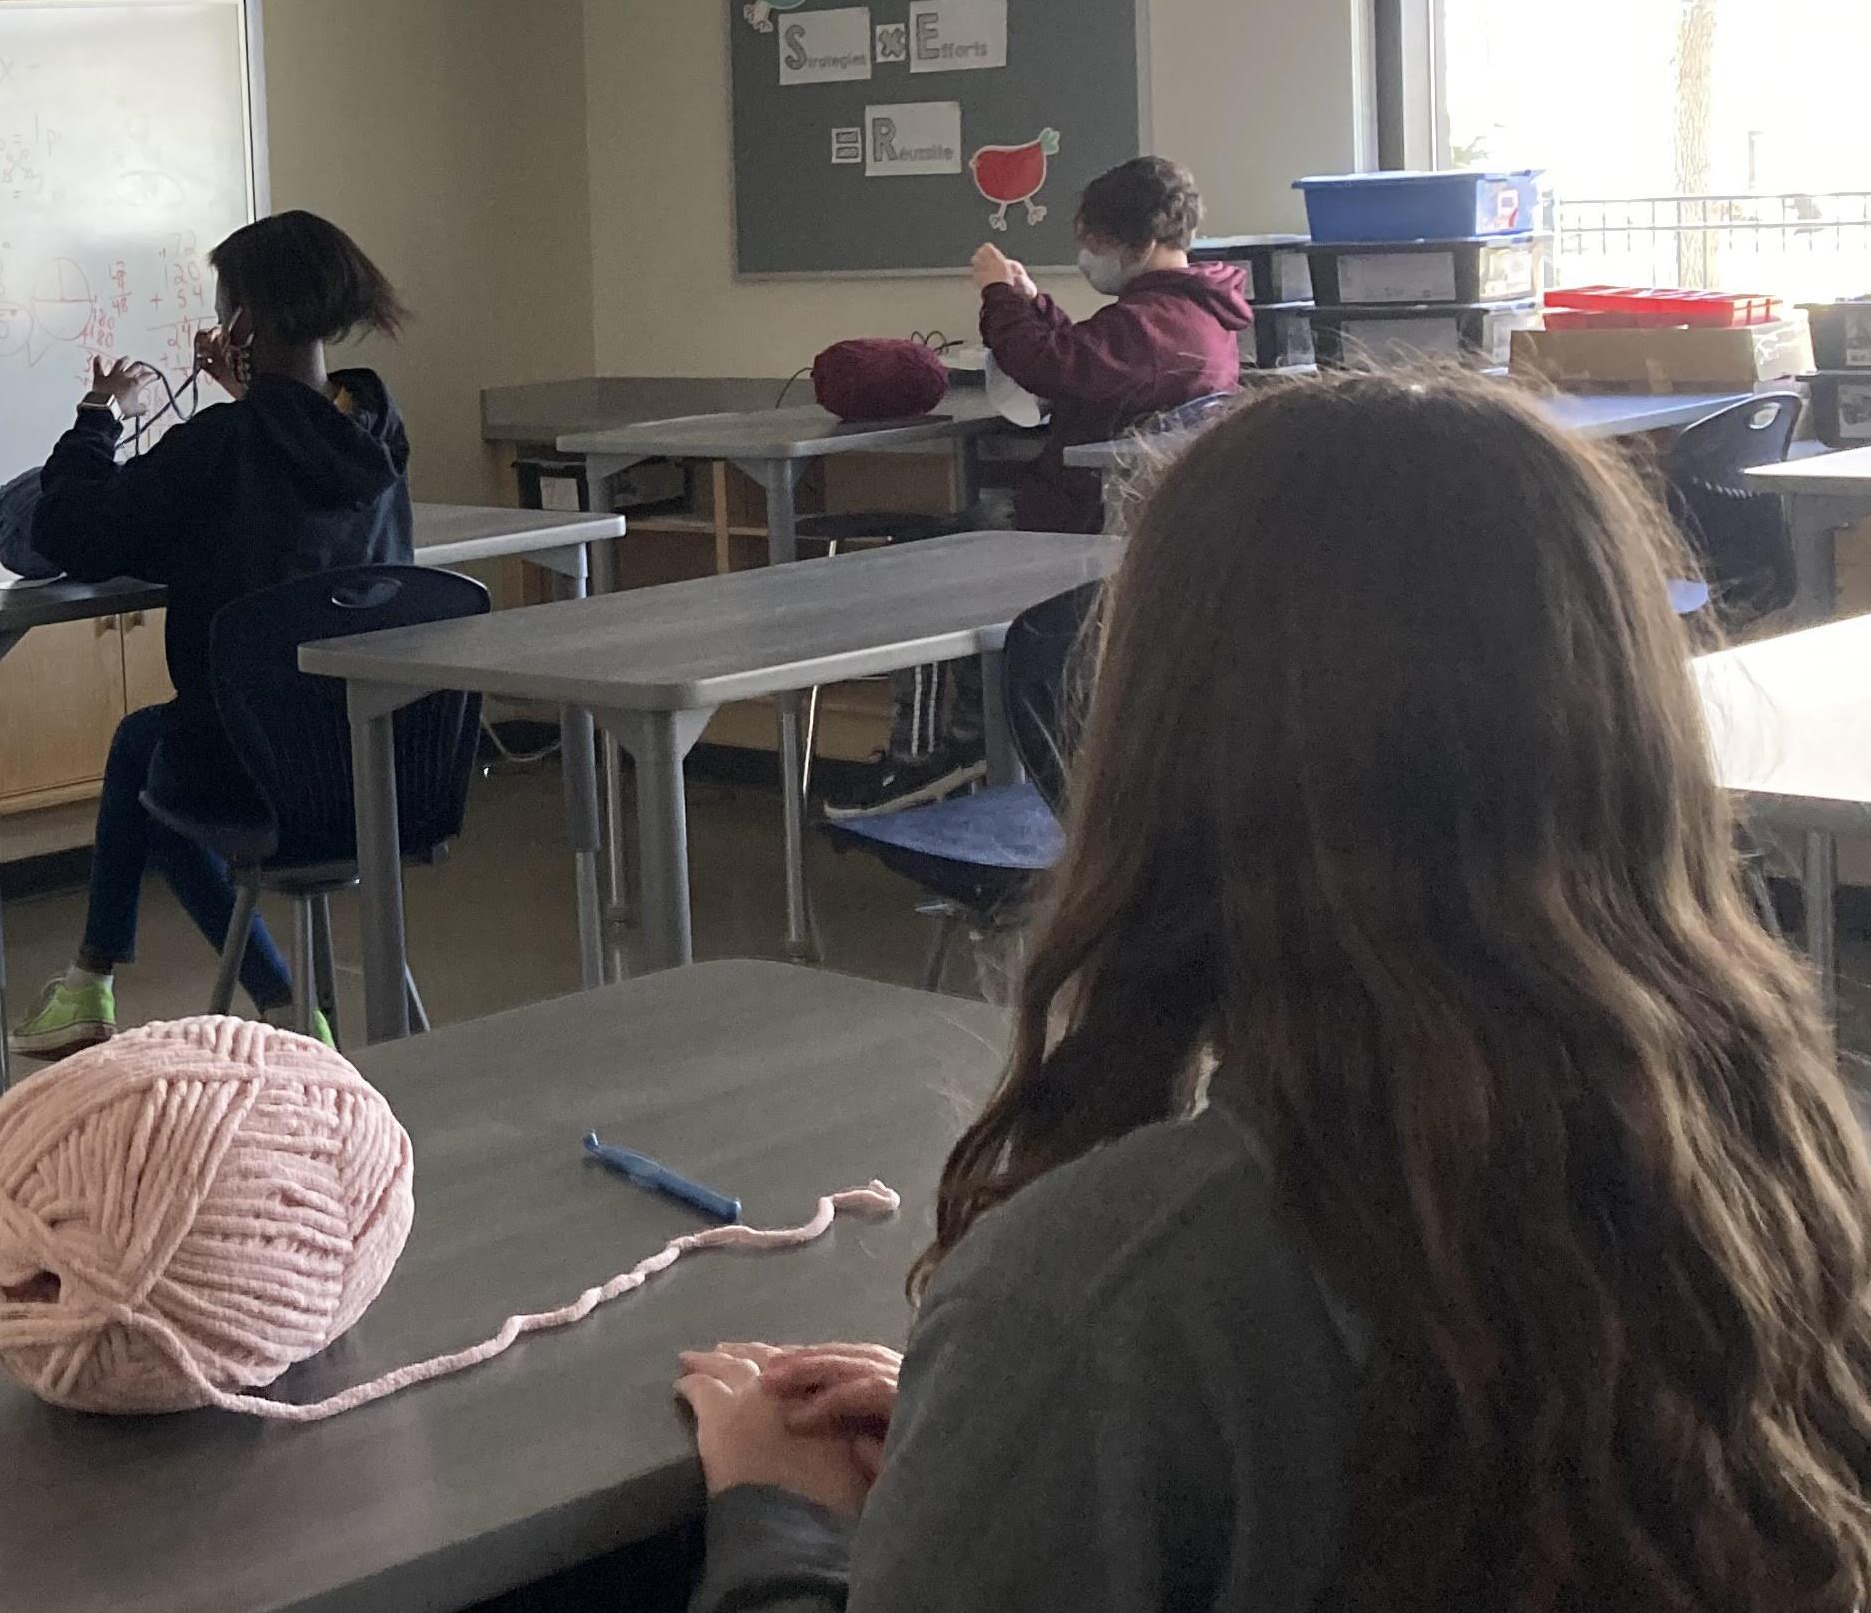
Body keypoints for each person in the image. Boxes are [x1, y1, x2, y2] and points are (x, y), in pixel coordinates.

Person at [674, 370, 1871, 1612]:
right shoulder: (1795, 1166)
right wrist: (992, 1441)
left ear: (1162, 748)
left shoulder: (1109, 1297)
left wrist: (784, 1521)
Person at [4, 211, 414, 1057]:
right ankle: (185, 992)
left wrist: (95, 416)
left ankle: (146, 986)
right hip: (381, 768)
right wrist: (255, 401)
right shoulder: (376, 437)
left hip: (258, 770)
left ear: (242, 324)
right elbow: (289, 483)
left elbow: (74, 527)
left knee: (152, 759)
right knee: (154, 755)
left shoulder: (222, 447)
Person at [967, 155, 1249, 533]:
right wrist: (1033, 302)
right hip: (1152, 511)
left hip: (1088, 514)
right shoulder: (1198, 311)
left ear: (1144, 243)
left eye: (1098, 244)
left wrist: (997, 293)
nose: (1087, 258)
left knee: (968, 519)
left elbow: (1047, 364)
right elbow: (1091, 357)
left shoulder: (1148, 324)